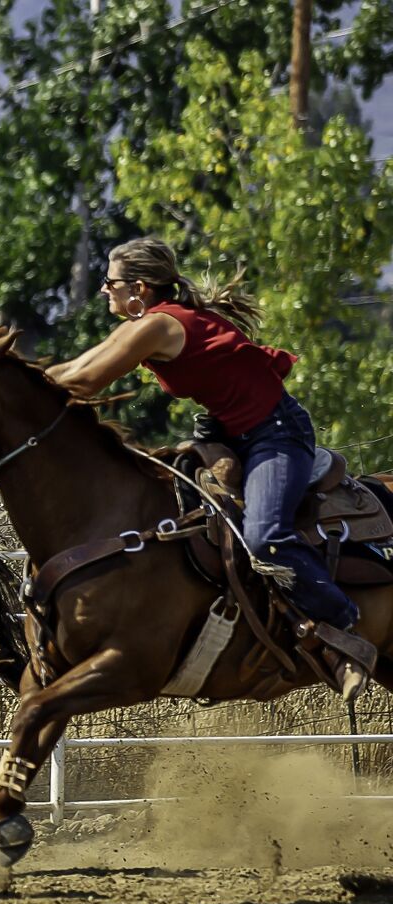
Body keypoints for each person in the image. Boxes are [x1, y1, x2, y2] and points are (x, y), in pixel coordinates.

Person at [46, 236, 372, 701]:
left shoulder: (157, 326)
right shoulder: (148, 322)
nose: (103, 290)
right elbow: (78, 365)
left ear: (137, 287)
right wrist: (10, 372)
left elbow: (85, 379)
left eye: (110, 282)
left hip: (277, 435)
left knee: (266, 537)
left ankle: (344, 629)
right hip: (234, 435)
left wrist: (10, 380)